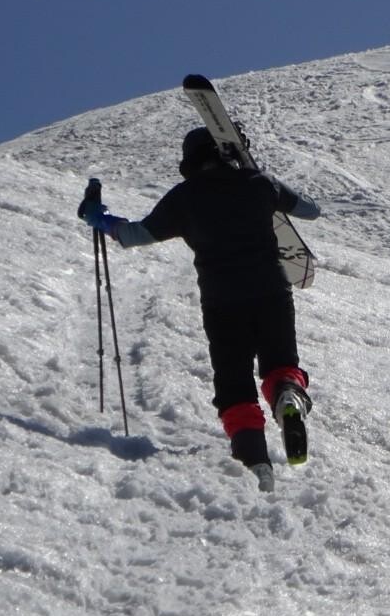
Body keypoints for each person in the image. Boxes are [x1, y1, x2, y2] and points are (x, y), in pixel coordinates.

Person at [79, 127, 321, 492]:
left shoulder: (184, 198)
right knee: (280, 363)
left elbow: (135, 236)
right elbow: (310, 211)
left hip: (222, 301)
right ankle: (287, 394)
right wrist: (261, 179)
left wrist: (99, 217)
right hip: (272, 291)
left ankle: (257, 465)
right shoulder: (258, 183)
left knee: (234, 383)